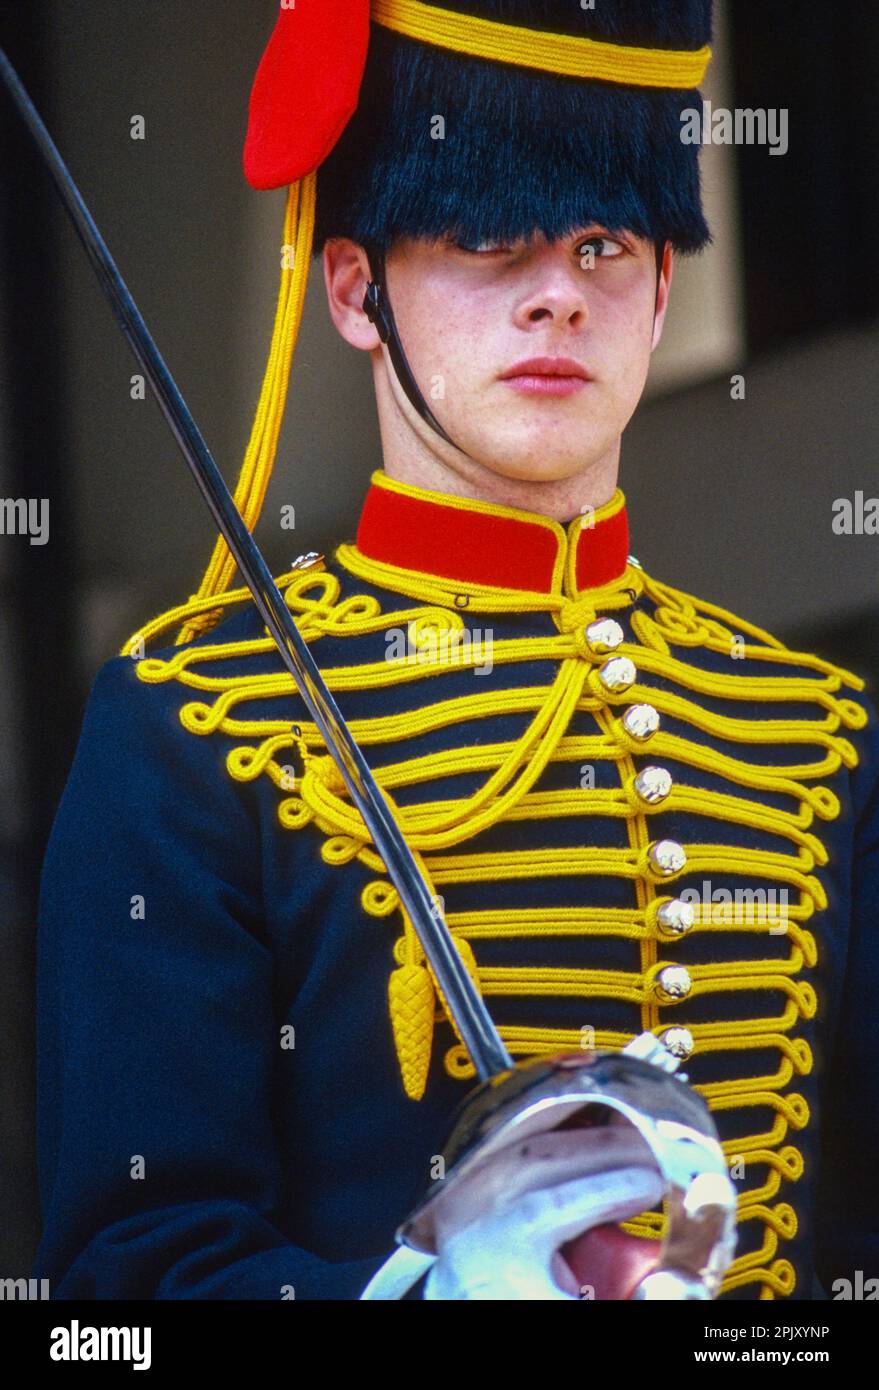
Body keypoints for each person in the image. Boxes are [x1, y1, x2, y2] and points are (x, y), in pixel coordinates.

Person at [32, 0, 879, 1301]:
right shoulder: (189, 722)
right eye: (489, 234)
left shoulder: (818, 732)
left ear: (662, 291)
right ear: (358, 288)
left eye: (604, 240)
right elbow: (110, 1307)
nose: (557, 295)